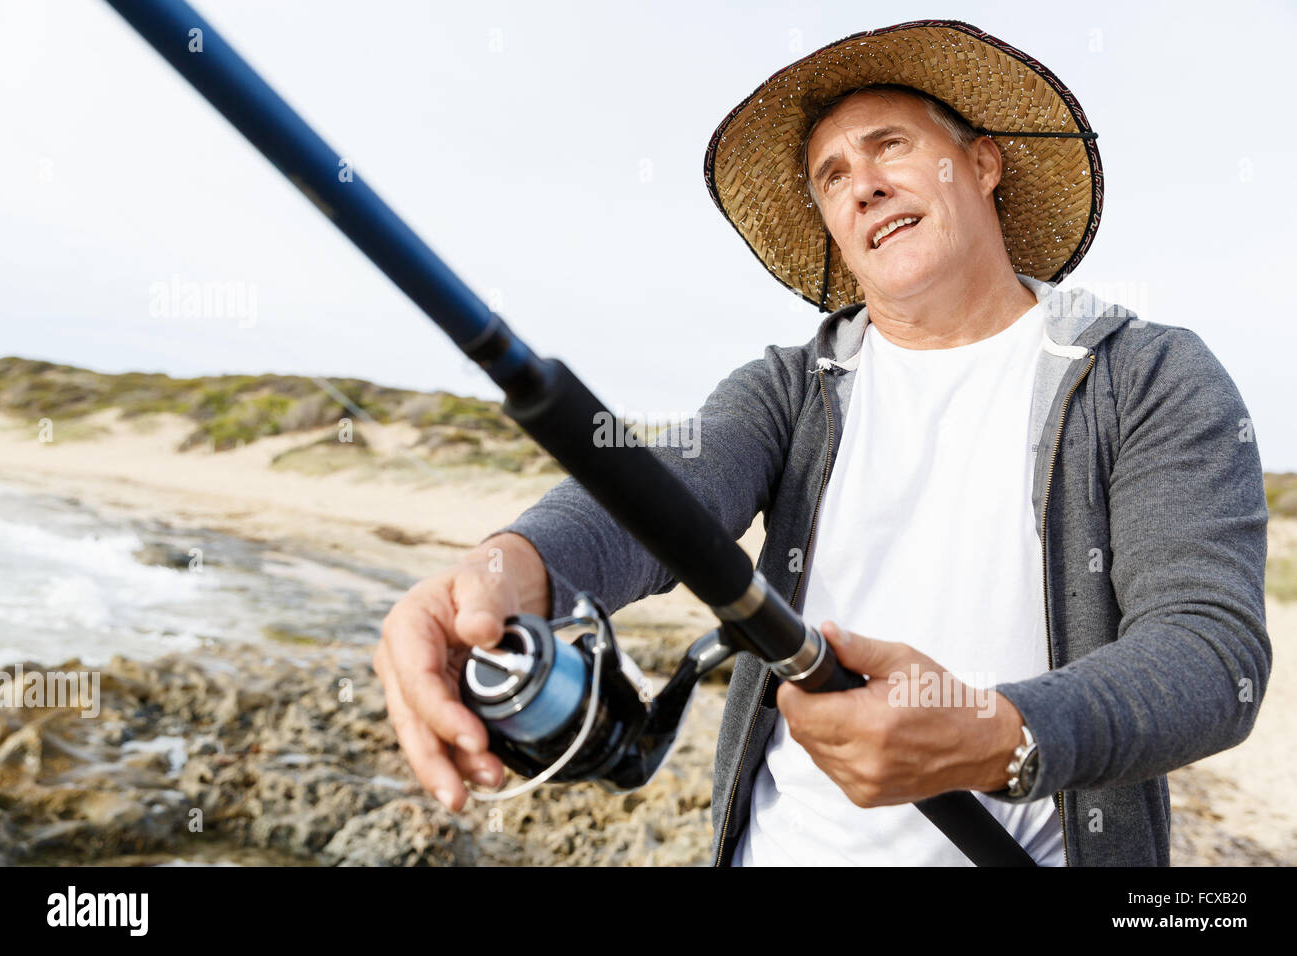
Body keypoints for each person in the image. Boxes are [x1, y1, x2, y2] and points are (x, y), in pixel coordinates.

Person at [373, 20, 1270, 866]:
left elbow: (1209, 649)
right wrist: (502, 571)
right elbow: (657, 493)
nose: (863, 184)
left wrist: (1003, 734)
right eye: (832, 175)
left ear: (984, 162)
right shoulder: (788, 389)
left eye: (890, 145)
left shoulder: (1148, 375)